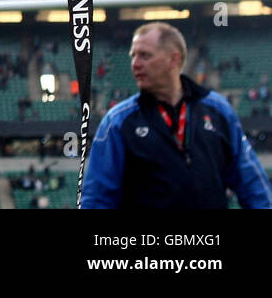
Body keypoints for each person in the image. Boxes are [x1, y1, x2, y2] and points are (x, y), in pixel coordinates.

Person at [81, 22, 271, 209]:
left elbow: (253, 185)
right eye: (133, 56)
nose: (135, 64)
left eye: (145, 56)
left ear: (173, 59)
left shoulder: (218, 111)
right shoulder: (119, 122)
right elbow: (97, 199)